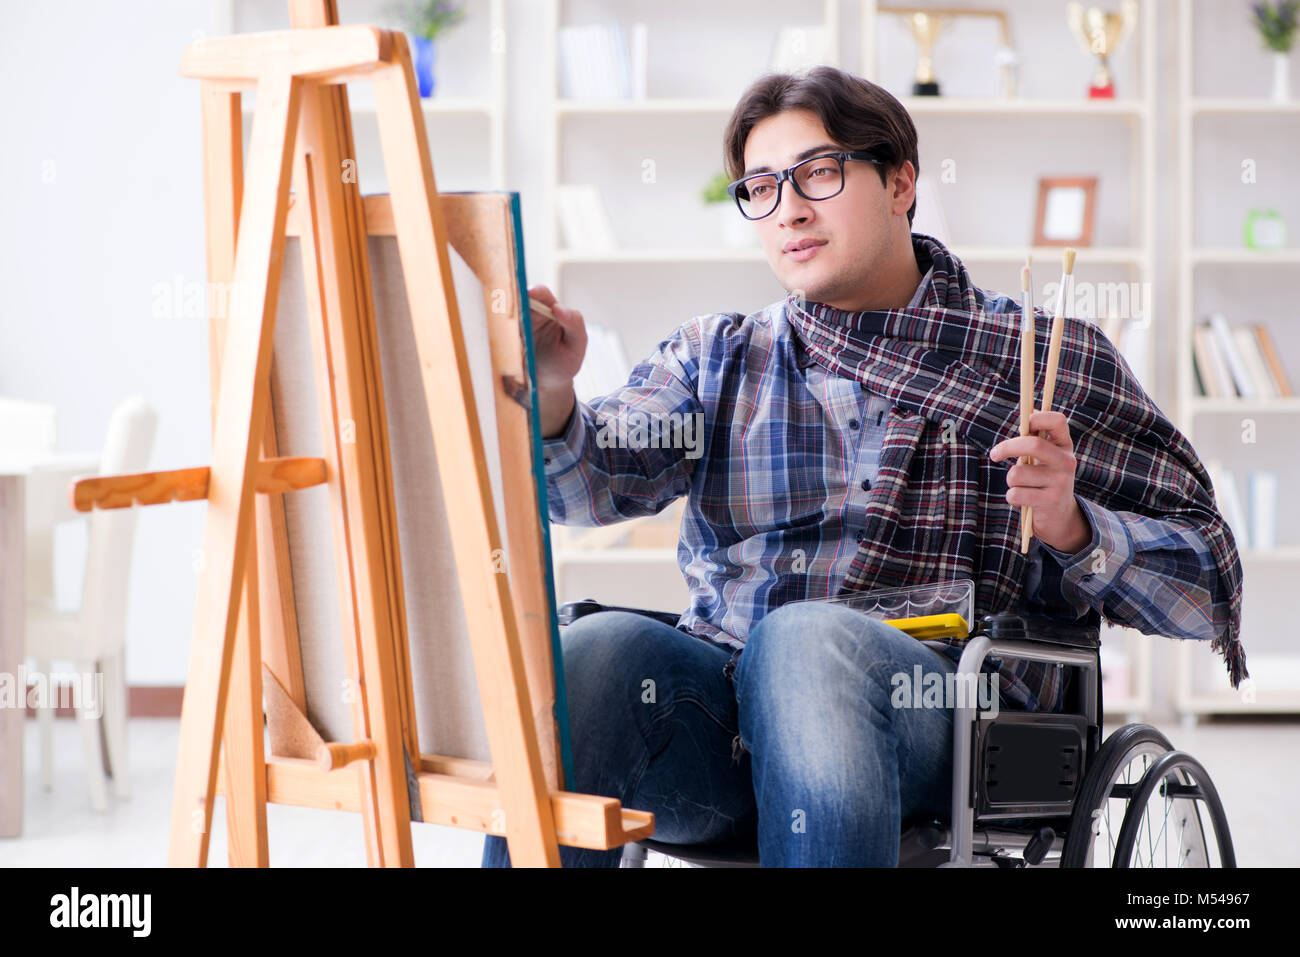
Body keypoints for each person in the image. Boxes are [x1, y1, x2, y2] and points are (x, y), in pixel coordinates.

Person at [483, 66, 1243, 867]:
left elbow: (1207, 582)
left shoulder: (1046, 358)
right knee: (593, 656)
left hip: (949, 722)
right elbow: (593, 477)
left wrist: (1074, 525)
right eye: (762, 188)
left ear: (900, 182)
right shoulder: (720, 355)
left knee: (809, 646)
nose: (791, 211)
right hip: (727, 723)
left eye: (818, 172)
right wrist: (559, 395)